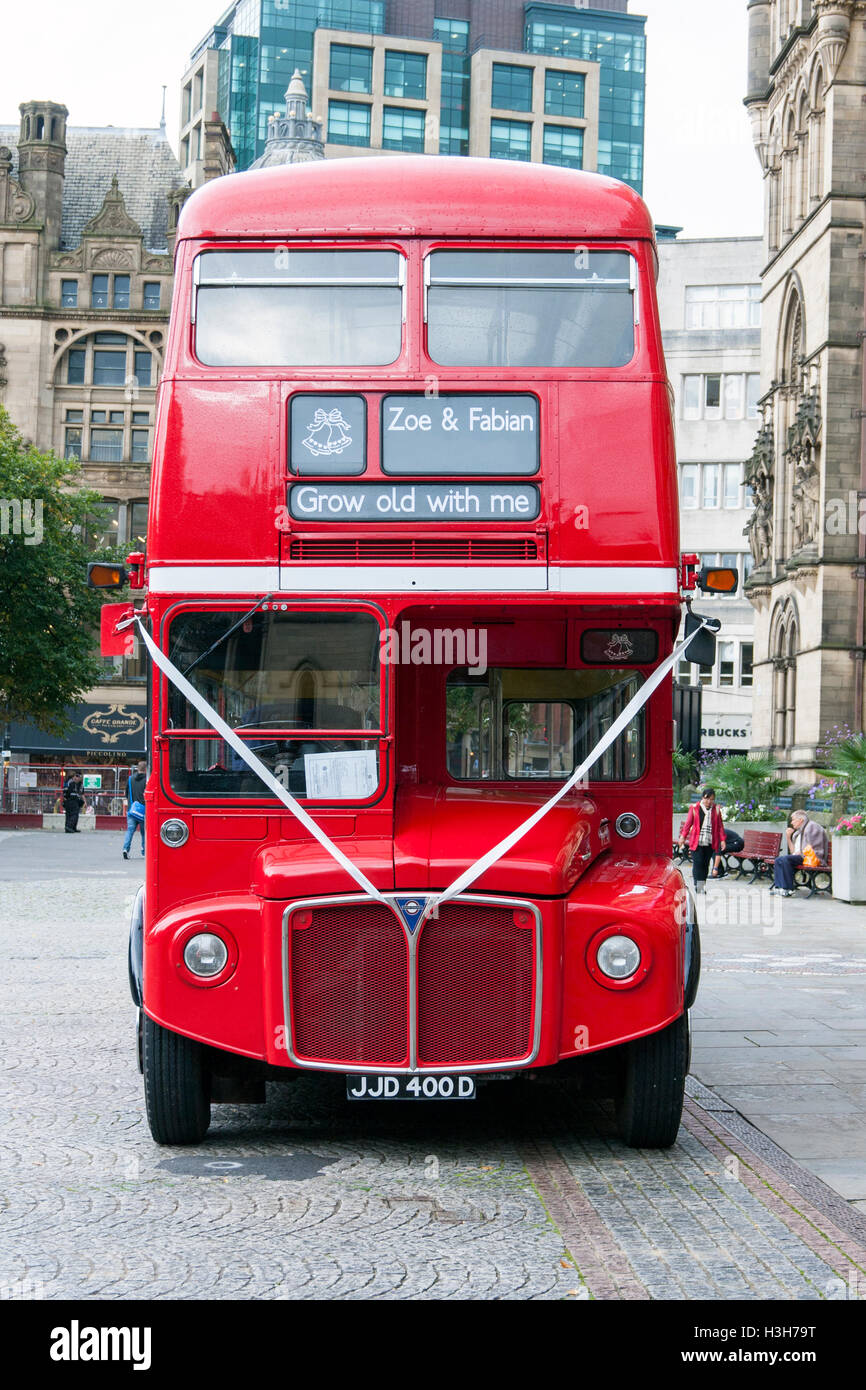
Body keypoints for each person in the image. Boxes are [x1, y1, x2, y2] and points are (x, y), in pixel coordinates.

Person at [677, 787, 725, 894]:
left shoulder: (716, 809)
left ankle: (702, 885)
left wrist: (722, 840)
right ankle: (698, 886)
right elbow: (688, 824)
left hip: (709, 841)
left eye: (711, 799)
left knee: (705, 864)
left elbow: (720, 826)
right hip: (696, 842)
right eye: (707, 799)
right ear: (702, 797)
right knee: (698, 863)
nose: (709, 801)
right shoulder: (694, 808)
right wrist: (682, 837)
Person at [771, 810, 828, 897]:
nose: (791, 822)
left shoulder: (812, 827)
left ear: (800, 820)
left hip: (812, 858)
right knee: (779, 859)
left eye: (793, 819)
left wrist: (801, 852)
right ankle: (779, 887)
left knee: (785, 859)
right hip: (800, 857)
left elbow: (815, 847)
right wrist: (788, 837)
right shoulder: (799, 832)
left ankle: (788, 889)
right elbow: (793, 851)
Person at [123, 760, 147, 859]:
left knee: (130, 831)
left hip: (131, 809)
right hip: (143, 810)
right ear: (146, 769)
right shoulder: (147, 780)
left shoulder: (130, 779)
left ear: (137, 768)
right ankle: (144, 851)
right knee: (144, 832)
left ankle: (125, 849)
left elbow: (126, 793)